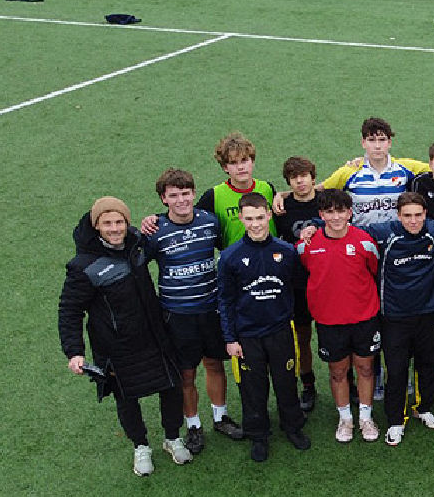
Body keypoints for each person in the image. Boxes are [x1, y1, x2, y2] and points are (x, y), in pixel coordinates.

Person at [59, 196, 190, 476]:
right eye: (107, 223)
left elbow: (170, 222)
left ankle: (172, 437)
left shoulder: (137, 244)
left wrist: (155, 218)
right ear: (96, 226)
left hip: (155, 336)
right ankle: (140, 446)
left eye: (119, 221)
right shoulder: (83, 266)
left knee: (171, 387)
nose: (115, 228)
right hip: (116, 347)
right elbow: (69, 310)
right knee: (126, 398)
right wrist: (74, 351)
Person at [142, 168, 242, 455]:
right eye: (174, 195)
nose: (181, 200)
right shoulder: (156, 231)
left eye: (186, 193)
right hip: (177, 314)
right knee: (186, 373)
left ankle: (220, 417)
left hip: (210, 309)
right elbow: (138, 265)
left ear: (194, 194)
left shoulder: (210, 222)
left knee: (215, 364)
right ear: (164, 199)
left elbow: (227, 253)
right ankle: (194, 425)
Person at [216, 193, 309, 462]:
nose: (255, 224)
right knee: (252, 388)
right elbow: (225, 300)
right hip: (247, 336)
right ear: (241, 219)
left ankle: (292, 427)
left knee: (286, 382)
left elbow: (298, 287)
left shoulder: (287, 251)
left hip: (281, 330)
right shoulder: (230, 257)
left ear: (269, 215)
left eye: (260, 217)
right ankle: (258, 435)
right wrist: (230, 338)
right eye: (249, 219)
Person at [362, 192, 434, 445]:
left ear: (426, 215)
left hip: (427, 313)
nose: (413, 221)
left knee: (427, 363)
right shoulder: (383, 232)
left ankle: (423, 408)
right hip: (394, 316)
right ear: (398, 216)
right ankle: (396, 420)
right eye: (407, 216)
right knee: (397, 369)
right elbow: (346, 225)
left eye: (418, 215)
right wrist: (314, 225)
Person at [297, 189, 382, 444]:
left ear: (350, 213)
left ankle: (365, 417)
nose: (336, 217)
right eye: (330, 212)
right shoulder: (306, 246)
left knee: (366, 368)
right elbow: (305, 271)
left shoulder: (365, 242)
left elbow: (373, 270)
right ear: (321, 214)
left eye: (341, 211)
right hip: (329, 321)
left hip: (364, 316)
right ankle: (345, 418)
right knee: (338, 371)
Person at [275, 156, 324, 412]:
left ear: (313, 177)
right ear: (289, 181)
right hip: (297, 283)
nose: (300, 181)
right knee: (302, 336)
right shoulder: (282, 208)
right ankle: (308, 384)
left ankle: (347, 383)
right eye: (294, 178)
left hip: (327, 281)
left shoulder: (326, 199)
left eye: (304, 175)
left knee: (335, 334)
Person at [321, 117, 430, 226]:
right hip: (363, 238)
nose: (377, 146)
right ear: (363, 143)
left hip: (395, 238)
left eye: (382, 140)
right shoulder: (349, 171)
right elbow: (317, 193)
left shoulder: (406, 168)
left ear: (389, 143)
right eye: (371, 140)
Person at [196, 132, 276, 248]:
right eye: (233, 162)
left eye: (244, 160)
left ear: (252, 161)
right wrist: (161, 218)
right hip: (235, 262)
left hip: (271, 258)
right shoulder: (214, 195)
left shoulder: (267, 188)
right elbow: (188, 218)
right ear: (225, 167)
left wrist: (282, 195)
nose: (240, 167)